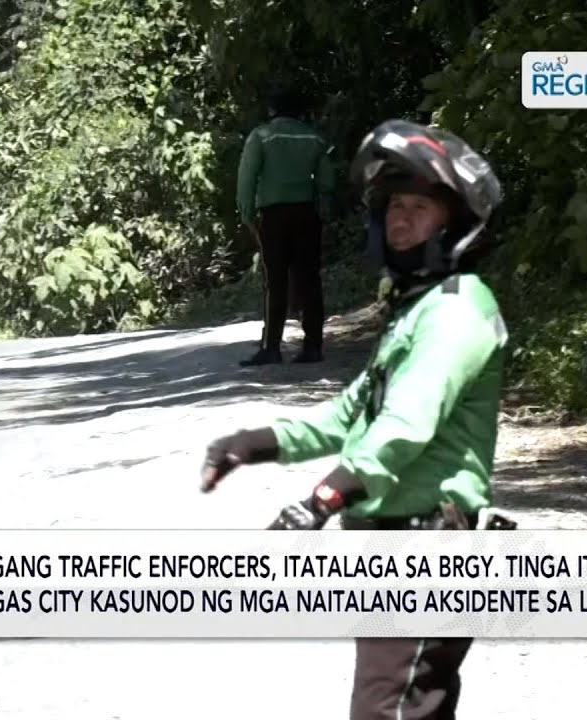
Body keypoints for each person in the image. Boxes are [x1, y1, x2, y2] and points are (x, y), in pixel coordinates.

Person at [200, 118, 507, 720]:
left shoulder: (458, 311)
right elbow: (354, 415)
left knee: (384, 711)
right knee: (413, 708)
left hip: (428, 548)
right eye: (394, 205)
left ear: (456, 221)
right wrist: (256, 443)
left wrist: (320, 499)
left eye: (420, 206)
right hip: (398, 544)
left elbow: (405, 427)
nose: (400, 218)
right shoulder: (418, 310)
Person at [236, 86, 336, 366]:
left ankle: (272, 348)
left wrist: (246, 213)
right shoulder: (315, 138)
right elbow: (327, 182)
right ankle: (313, 346)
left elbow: (247, 177)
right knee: (309, 280)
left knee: (275, 281)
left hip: (273, 216)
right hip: (306, 214)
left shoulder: (261, 136)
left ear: (272, 110)